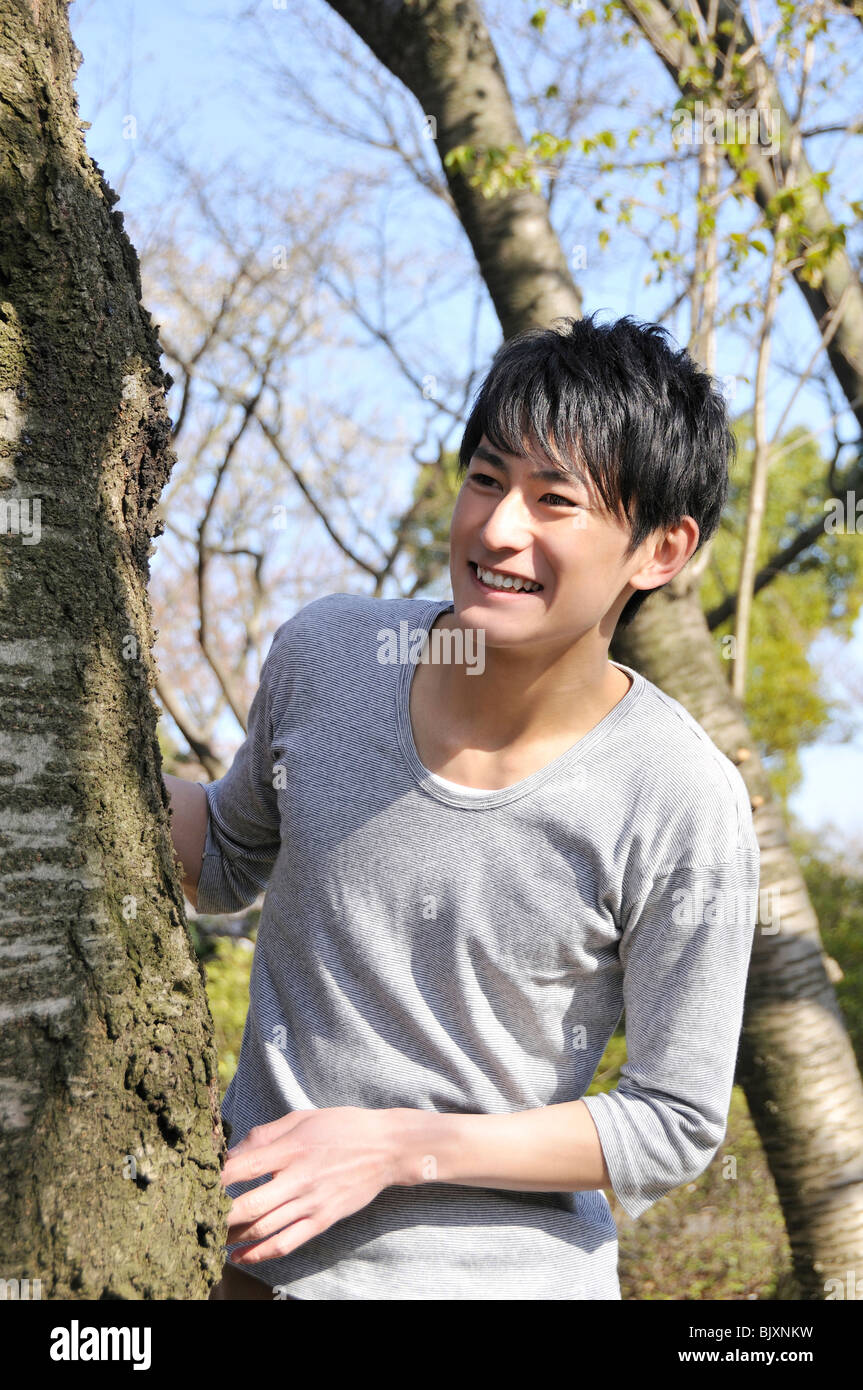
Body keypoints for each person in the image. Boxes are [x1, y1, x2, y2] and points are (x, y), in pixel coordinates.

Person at [166, 313, 761, 1301]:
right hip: (248, 1269)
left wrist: (399, 1147)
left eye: (553, 500)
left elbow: (672, 1118)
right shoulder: (329, 656)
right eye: (486, 480)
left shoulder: (681, 796)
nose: (497, 528)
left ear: (660, 549)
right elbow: (227, 853)